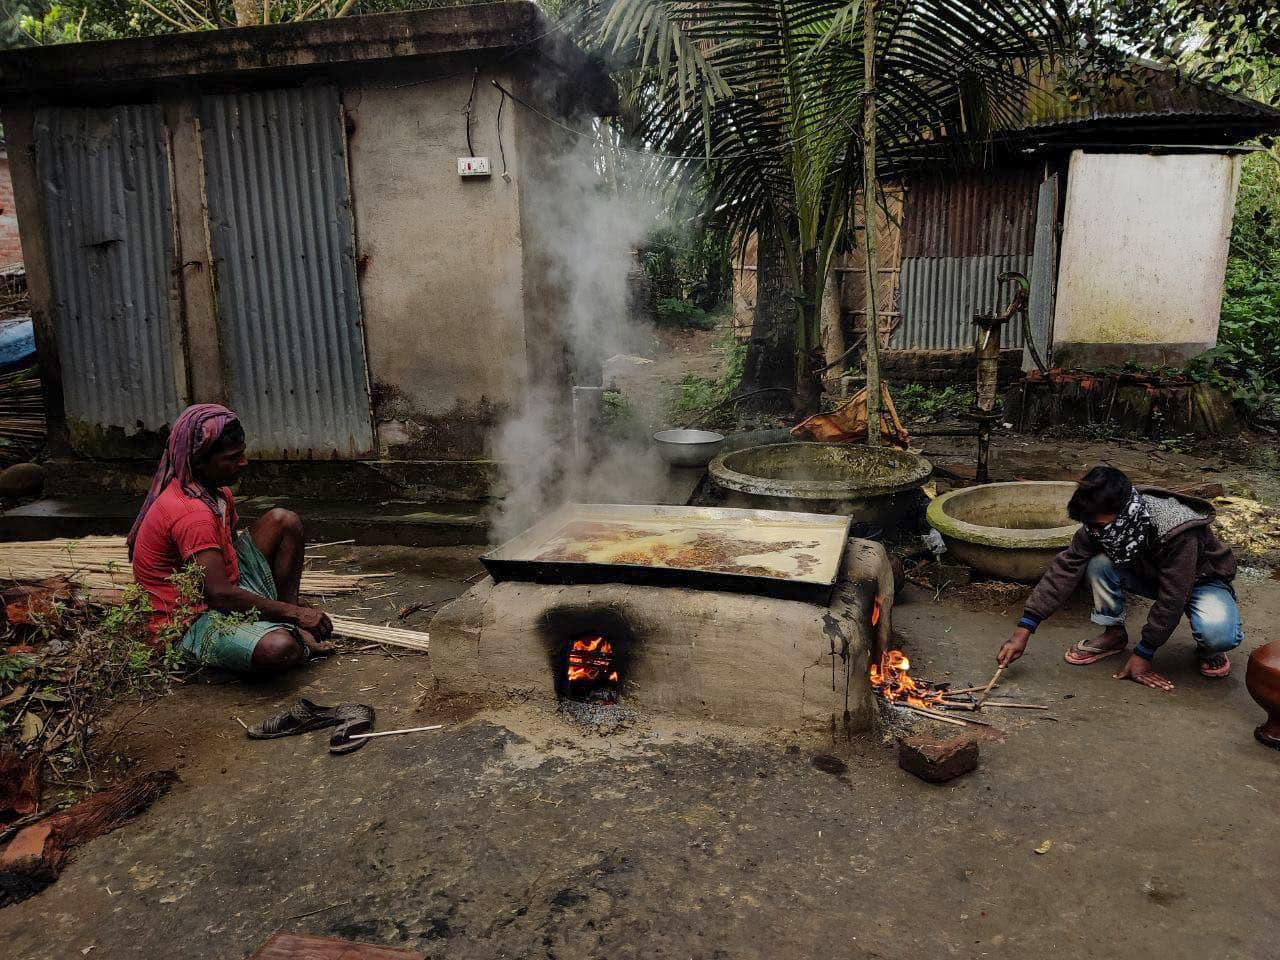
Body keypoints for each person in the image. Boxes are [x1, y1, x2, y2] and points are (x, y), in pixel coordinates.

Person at [129, 404, 334, 674]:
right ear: (200, 461)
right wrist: (292, 613)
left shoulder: (216, 493)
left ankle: (288, 618)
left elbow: (230, 558)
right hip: (189, 620)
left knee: (283, 521)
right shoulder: (192, 514)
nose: (244, 462)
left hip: (217, 590)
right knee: (279, 649)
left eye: (243, 453)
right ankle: (290, 630)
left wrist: (285, 608)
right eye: (233, 458)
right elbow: (218, 595)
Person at [996, 466, 1242, 691]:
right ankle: (1114, 634)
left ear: (1123, 514)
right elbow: (1065, 569)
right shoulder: (1100, 525)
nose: (1092, 530)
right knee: (1097, 564)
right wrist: (1024, 630)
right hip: (1151, 574)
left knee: (1219, 635)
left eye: (1098, 524)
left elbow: (1174, 595)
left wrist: (1144, 653)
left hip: (1202, 580)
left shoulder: (1176, 529)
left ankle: (1209, 649)